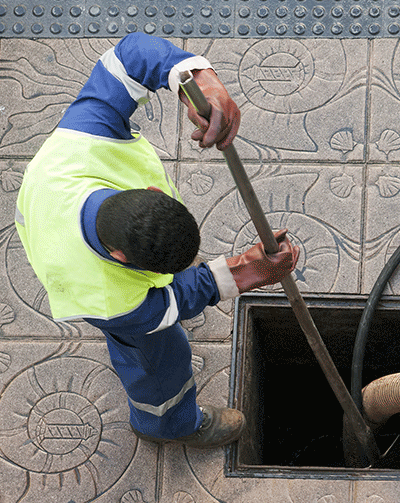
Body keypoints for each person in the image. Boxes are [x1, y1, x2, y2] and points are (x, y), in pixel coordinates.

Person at [15, 33, 299, 448]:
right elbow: (166, 305)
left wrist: (196, 79)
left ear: (150, 194)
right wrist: (242, 273)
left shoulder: (86, 137)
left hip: (58, 201)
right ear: (119, 256)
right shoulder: (110, 298)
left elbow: (129, 56)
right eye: (159, 271)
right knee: (159, 360)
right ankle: (167, 424)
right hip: (83, 276)